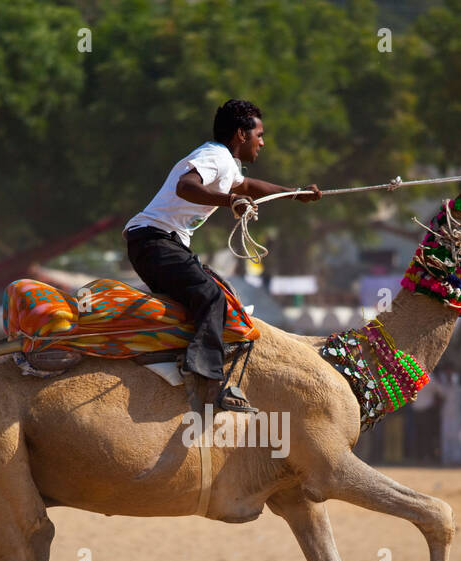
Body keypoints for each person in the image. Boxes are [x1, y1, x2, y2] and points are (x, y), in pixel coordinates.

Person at [124, 99, 320, 413]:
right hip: (154, 241)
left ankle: (176, 365)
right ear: (242, 135)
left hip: (157, 243)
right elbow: (185, 186)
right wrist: (232, 200)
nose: (262, 142)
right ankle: (206, 383)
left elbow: (248, 185)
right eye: (259, 134)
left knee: (220, 293)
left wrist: (294, 193)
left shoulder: (228, 165)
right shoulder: (214, 155)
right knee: (212, 296)